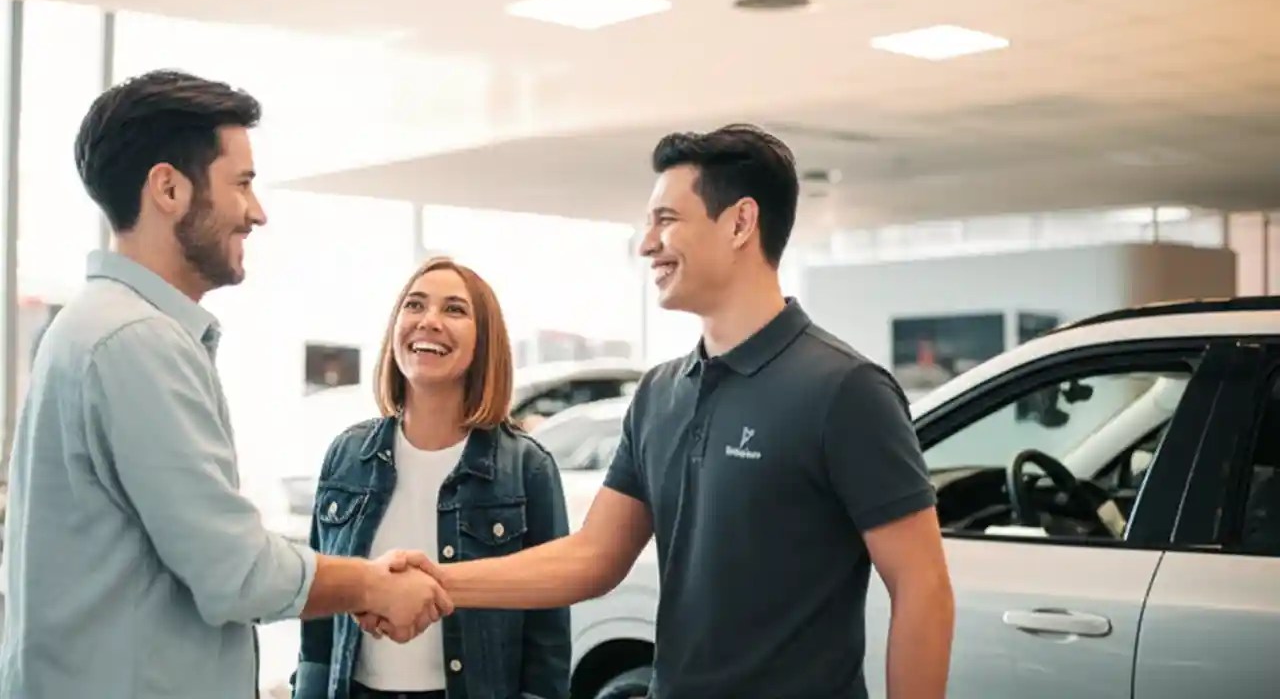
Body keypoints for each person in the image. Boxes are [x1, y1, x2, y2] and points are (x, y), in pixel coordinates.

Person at [369, 124, 956, 698]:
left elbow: (921, 586)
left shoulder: (845, 389)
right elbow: (593, 556)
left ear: (740, 224)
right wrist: (442, 581)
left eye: (666, 220)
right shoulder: (660, 394)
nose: (646, 243)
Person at [0, 70, 451, 699]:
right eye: (241, 184)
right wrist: (372, 585)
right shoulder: (135, 341)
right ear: (169, 188)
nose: (256, 213)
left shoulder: (96, 326)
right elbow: (234, 571)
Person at [293, 256, 571, 699]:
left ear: (485, 341)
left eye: (455, 310)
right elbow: (318, 622)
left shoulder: (527, 469)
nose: (429, 322)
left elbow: (548, 637)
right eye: (415, 305)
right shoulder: (347, 455)